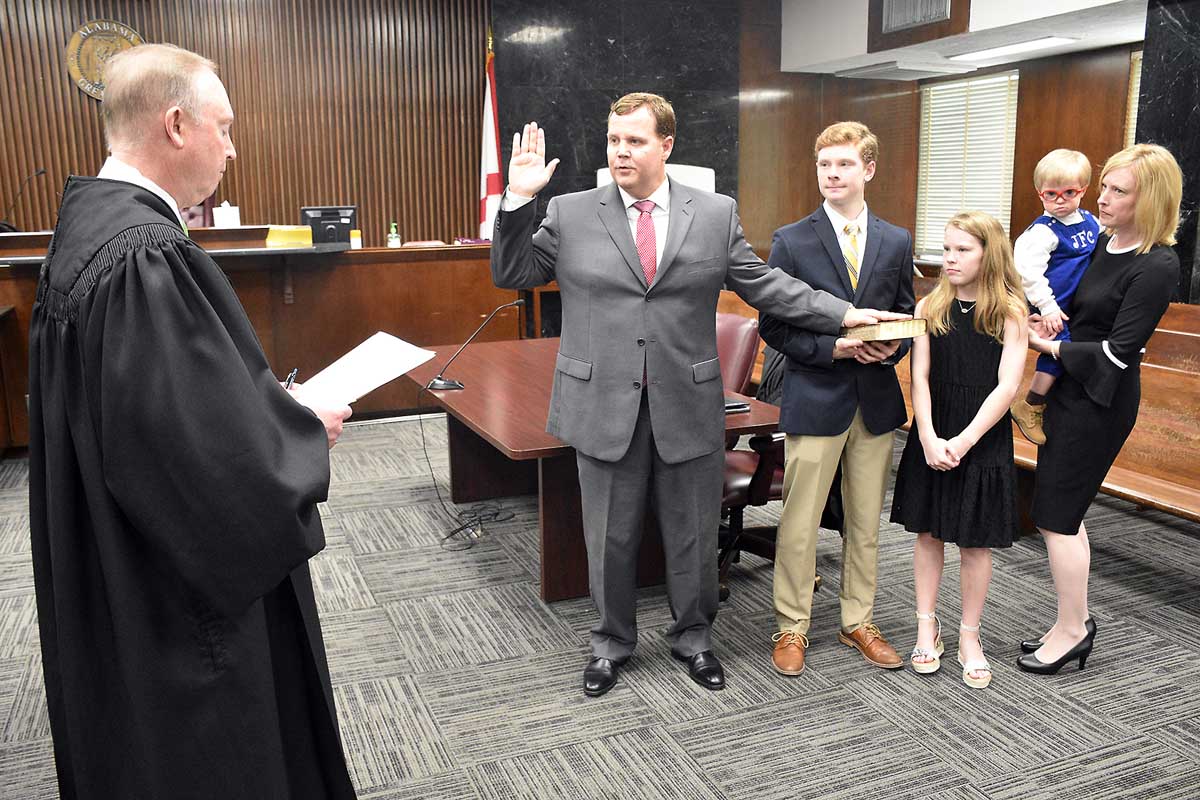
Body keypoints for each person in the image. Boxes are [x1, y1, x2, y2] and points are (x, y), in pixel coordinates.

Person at [490, 93, 908, 697]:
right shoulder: (572, 212)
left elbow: (767, 285)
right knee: (609, 534)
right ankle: (611, 643)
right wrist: (520, 199)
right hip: (602, 400)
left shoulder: (713, 213)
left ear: (666, 146)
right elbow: (513, 273)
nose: (621, 151)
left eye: (635, 140)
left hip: (687, 400)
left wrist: (843, 315)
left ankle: (694, 636)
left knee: (692, 529)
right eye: (614, 140)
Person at [28, 44, 357, 798]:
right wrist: (297, 429)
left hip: (113, 563)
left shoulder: (90, 226)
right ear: (177, 124)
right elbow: (210, 470)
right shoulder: (144, 256)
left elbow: (153, 412)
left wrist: (257, 402)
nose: (233, 148)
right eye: (226, 126)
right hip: (178, 604)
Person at [1017, 143, 1182, 675]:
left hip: (1101, 399)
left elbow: (1117, 350)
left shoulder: (1157, 264)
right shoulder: (1102, 243)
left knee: (1056, 516)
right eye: (1104, 186)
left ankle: (1072, 630)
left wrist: (1044, 348)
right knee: (1056, 513)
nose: (1102, 199)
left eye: (1117, 191)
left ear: (1150, 200)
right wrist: (1046, 319)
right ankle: (1073, 620)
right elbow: (1075, 309)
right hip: (1070, 389)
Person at [759, 121, 915, 676]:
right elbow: (772, 329)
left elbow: (904, 315)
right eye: (824, 165)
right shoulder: (792, 239)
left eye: (844, 165)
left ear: (868, 169)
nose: (832, 174)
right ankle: (791, 626)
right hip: (816, 393)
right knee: (799, 521)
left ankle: (858, 622)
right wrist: (835, 348)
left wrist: (889, 350)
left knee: (866, 522)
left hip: (874, 403)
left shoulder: (896, 241)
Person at [890, 211, 1028, 689]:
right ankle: (927, 625)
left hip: (982, 435)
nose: (950, 259)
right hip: (935, 427)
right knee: (928, 533)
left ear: (989, 254)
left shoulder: (1010, 310)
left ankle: (971, 636)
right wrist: (925, 435)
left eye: (962, 250)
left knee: (974, 540)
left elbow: (1007, 386)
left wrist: (965, 441)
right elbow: (920, 377)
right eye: (946, 249)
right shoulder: (931, 306)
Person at [1009, 149, 1101, 444]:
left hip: (1079, 305)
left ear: (1083, 190)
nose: (1060, 200)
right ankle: (1031, 403)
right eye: (1051, 194)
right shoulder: (1041, 233)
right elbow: (1027, 274)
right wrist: (1047, 307)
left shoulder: (1091, 221)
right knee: (1059, 352)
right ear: (1040, 194)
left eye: (1069, 192)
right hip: (1053, 306)